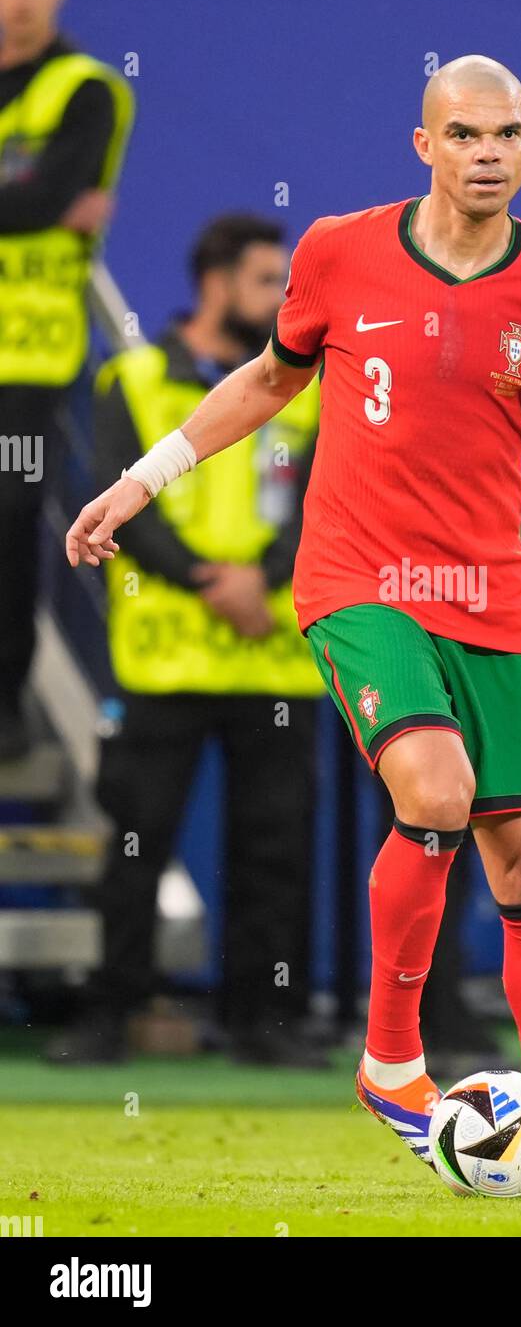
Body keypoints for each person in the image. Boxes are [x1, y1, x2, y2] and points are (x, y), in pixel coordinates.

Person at [64, 56, 521, 1196]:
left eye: (507, 134)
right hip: (359, 578)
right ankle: (390, 1058)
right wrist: (142, 477)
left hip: (492, 598)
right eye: (463, 134)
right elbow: (269, 381)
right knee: (434, 792)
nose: (487, 154)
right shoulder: (337, 252)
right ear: (424, 145)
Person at [48, 214, 326, 1068]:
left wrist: (265, 579)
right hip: (166, 656)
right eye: (263, 281)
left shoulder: (311, 387)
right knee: (137, 844)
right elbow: (124, 495)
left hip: (274, 656)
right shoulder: (133, 377)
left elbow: (328, 495)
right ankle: (110, 1015)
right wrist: (218, 583)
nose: (281, 299)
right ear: (214, 284)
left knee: (275, 852)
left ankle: (264, 1024)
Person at [0, 0, 134, 759]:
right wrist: (35, 200)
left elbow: (45, 199)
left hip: (28, 356)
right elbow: (40, 201)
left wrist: (40, 201)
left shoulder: (86, 89)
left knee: (13, 515)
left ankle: (7, 700)